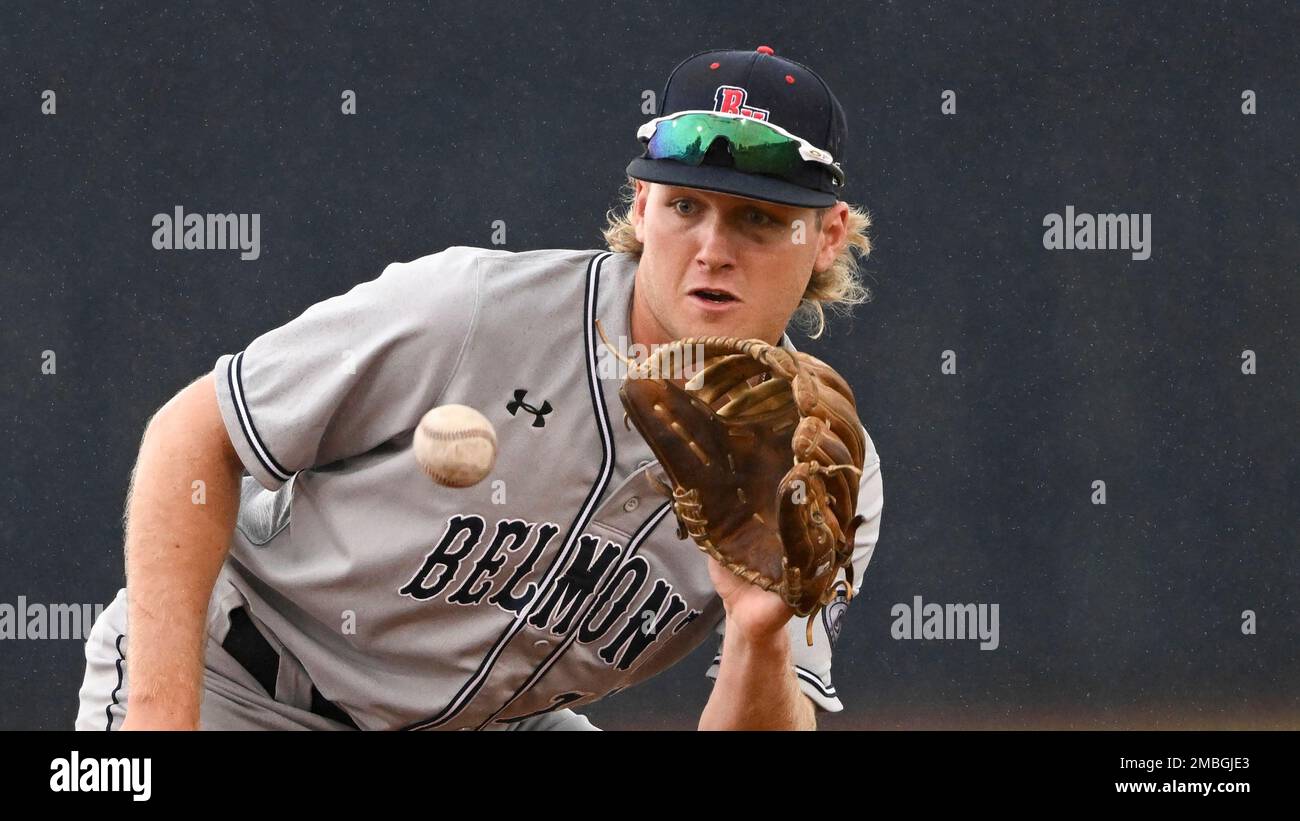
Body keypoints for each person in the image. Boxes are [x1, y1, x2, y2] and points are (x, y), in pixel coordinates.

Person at [76, 45, 884, 731]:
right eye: (685, 206)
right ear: (640, 208)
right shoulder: (474, 309)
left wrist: (759, 628)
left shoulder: (823, 463)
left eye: (758, 218)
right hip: (241, 683)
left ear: (827, 237)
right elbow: (195, 432)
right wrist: (158, 721)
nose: (712, 247)